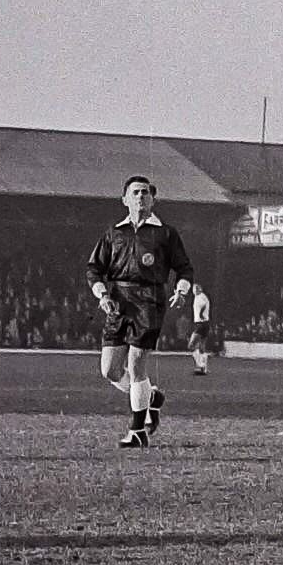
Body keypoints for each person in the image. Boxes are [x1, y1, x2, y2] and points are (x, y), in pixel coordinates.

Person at [87, 176, 195, 449]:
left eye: (145, 193)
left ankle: (137, 431)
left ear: (153, 199)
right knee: (110, 371)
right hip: (118, 301)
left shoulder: (165, 233)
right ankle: (152, 399)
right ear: (124, 199)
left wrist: (181, 291)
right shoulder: (114, 233)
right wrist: (101, 295)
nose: (140, 197)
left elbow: (184, 269)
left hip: (149, 301)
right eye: (135, 193)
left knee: (136, 364)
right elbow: (94, 269)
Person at [189, 284, 212, 375]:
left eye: (195, 289)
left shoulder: (201, 297)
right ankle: (204, 368)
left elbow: (203, 305)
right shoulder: (200, 297)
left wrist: (201, 314)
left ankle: (200, 365)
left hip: (201, 324)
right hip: (205, 323)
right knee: (202, 346)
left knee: (191, 345)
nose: (194, 291)